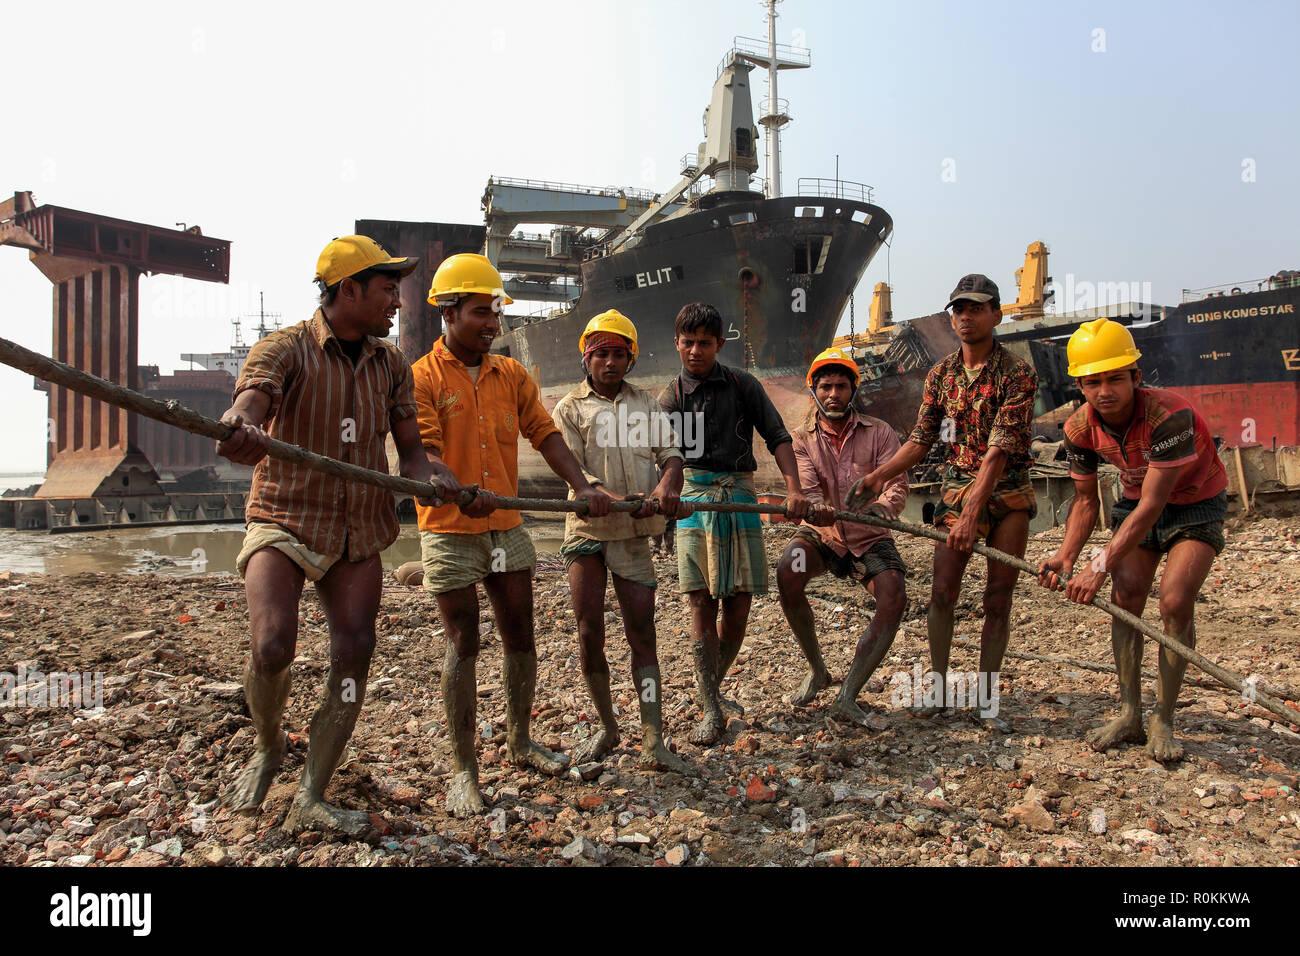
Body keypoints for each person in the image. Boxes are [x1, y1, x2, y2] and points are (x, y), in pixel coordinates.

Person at [218, 235, 451, 835]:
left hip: (359, 528)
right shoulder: (286, 348)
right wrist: (240, 427)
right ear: (348, 290)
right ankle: (270, 745)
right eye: (386, 288)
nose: (397, 301)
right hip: (284, 519)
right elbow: (250, 405)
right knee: (272, 646)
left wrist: (430, 480)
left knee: (355, 652)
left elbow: (411, 453)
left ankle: (312, 789)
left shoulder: (391, 363)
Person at [413, 253, 612, 816]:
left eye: (496, 311)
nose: (494, 323)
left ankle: (520, 740)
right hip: (449, 529)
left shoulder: (513, 375)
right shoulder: (422, 379)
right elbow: (422, 452)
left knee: (520, 634)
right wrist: (448, 482)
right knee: (463, 642)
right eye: (482, 312)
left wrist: (582, 482)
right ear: (448, 312)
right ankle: (462, 770)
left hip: (506, 525)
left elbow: (545, 433)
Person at [1037, 318, 1228, 761]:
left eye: (1115, 378)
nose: (1105, 390)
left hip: (1194, 503)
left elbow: (1153, 509)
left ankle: (1163, 717)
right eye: (1093, 381)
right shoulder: (1079, 430)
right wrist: (1067, 557)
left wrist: (1096, 565)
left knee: (1175, 602)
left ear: (1135, 378)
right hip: (1136, 500)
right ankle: (1129, 711)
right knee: (1126, 599)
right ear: (1080, 386)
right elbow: (1085, 502)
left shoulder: (1169, 417)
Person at [849, 274, 1037, 719]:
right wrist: (877, 477)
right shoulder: (942, 375)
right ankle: (938, 689)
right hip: (956, 490)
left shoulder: (1018, 374)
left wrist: (972, 514)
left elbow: (998, 452)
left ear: (997, 313)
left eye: (976, 308)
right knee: (942, 590)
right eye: (959, 309)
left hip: (1008, 494)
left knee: (997, 598)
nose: (966, 316)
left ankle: (986, 698)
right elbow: (920, 440)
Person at [658, 302, 810, 745]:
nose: (695, 351)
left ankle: (713, 686)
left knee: (739, 606)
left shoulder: (744, 385)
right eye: (688, 342)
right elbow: (662, 457)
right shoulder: (670, 397)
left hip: (739, 497)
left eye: (705, 343)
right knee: (701, 603)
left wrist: (795, 489)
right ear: (677, 343)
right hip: (693, 501)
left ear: (720, 344)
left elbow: (778, 437)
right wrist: (663, 494)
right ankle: (710, 705)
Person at [553, 310, 693, 773]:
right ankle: (608, 726)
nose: (610, 363)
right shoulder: (570, 408)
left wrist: (666, 488)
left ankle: (653, 738)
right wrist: (617, 498)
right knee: (589, 631)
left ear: (630, 360)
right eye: (601, 354)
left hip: (634, 533)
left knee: (642, 634)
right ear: (586, 358)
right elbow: (577, 475)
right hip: (587, 533)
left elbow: (670, 453)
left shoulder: (647, 406)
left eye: (619, 355)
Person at [776, 348, 909, 724]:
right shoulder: (801, 438)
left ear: (853, 389)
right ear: (814, 390)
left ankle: (848, 694)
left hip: (870, 537)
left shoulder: (879, 432)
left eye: (841, 386)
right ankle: (817, 669)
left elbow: (895, 482)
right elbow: (807, 486)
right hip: (823, 535)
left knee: (893, 596)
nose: (833, 394)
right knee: (789, 570)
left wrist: (885, 508)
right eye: (826, 386)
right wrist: (813, 506)